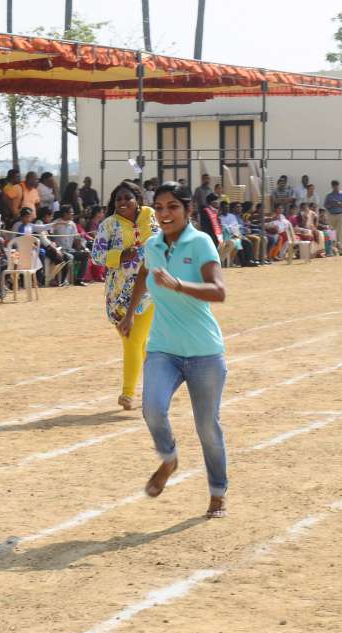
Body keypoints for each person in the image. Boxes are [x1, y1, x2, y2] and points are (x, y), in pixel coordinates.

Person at [119, 181, 229, 519]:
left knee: (207, 426)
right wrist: (130, 311)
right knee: (152, 408)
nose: (165, 214)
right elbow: (143, 274)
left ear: (187, 210)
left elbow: (218, 291)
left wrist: (180, 285)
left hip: (204, 351)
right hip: (163, 348)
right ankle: (169, 458)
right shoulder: (153, 245)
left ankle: (217, 493)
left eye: (173, 207)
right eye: (160, 207)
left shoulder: (200, 242)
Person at [91, 180, 158, 411]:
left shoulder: (151, 215)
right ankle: (157, 387)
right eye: (118, 199)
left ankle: (128, 394)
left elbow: (160, 243)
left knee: (133, 339)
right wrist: (120, 255)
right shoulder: (108, 225)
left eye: (127, 197)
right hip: (118, 294)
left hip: (150, 289)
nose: (122, 202)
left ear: (137, 199)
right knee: (137, 343)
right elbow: (97, 257)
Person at [50, 205, 89, 286]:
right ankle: (62, 280)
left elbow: (76, 239)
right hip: (60, 250)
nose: (73, 214)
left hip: (70, 250)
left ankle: (79, 279)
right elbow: (51, 238)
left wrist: (84, 248)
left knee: (85, 255)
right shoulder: (56, 223)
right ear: (65, 213)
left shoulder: (72, 224)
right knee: (69, 257)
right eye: (71, 212)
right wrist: (57, 249)